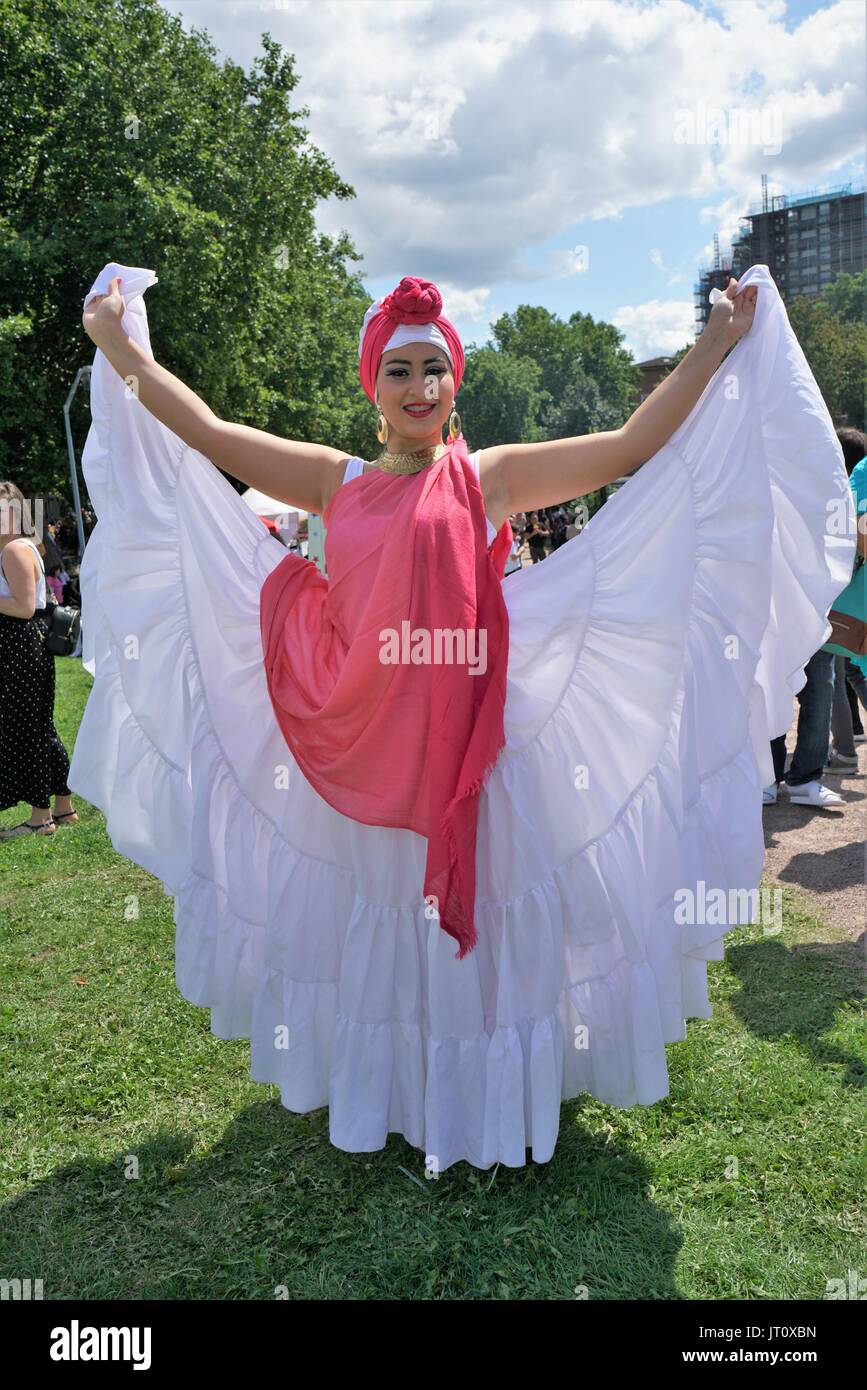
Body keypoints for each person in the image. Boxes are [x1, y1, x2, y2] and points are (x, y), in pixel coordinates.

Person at [70, 262, 853, 1171]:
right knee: (391, 918)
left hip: (474, 742)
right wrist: (116, 345)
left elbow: (633, 443)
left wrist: (716, 341)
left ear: (454, 381)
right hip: (359, 738)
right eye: (398, 369)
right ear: (373, 382)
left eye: (432, 369)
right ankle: (400, 1091)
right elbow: (202, 429)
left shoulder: (492, 477)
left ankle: (478, 1100)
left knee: (468, 926)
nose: (418, 387)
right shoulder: (336, 479)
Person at [0, 481, 79, 838]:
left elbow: (25, 606)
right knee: (40, 727)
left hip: (20, 645)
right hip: (25, 646)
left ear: (16, 513)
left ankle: (40, 817)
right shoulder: (22, 545)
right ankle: (63, 808)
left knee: (28, 729)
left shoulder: (15, 549)